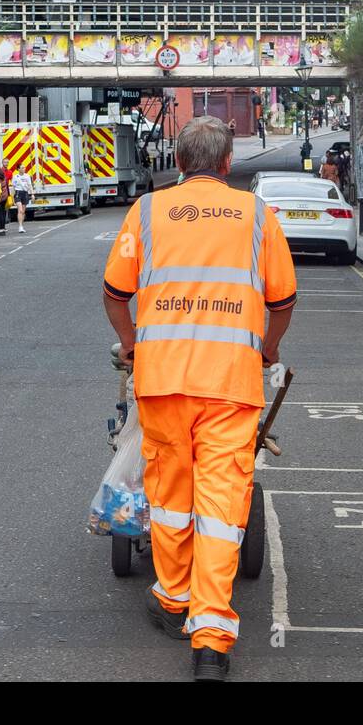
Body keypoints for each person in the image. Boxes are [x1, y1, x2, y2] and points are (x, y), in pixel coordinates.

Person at [102, 117, 297, 682]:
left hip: (162, 383)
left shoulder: (147, 211)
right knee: (221, 504)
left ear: (180, 163)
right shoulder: (257, 216)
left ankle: (173, 597)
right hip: (232, 386)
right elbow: (283, 299)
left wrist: (131, 342)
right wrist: (268, 346)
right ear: (229, 162)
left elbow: (116, 293)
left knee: (168, 493)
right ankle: (211, 636)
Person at [11, 165, 34, 233]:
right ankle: (20, 226)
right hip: (18, 193)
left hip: (25, 193)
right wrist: (12, 197)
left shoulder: (27, 176)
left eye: (24, 168)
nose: (24, 169)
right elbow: (13, 187)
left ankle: (21, 225)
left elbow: (30, 185)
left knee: (23, 211)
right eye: (22, 168)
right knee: (20, 210)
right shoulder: (15, 177)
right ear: (18, 169)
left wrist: (32, 194)